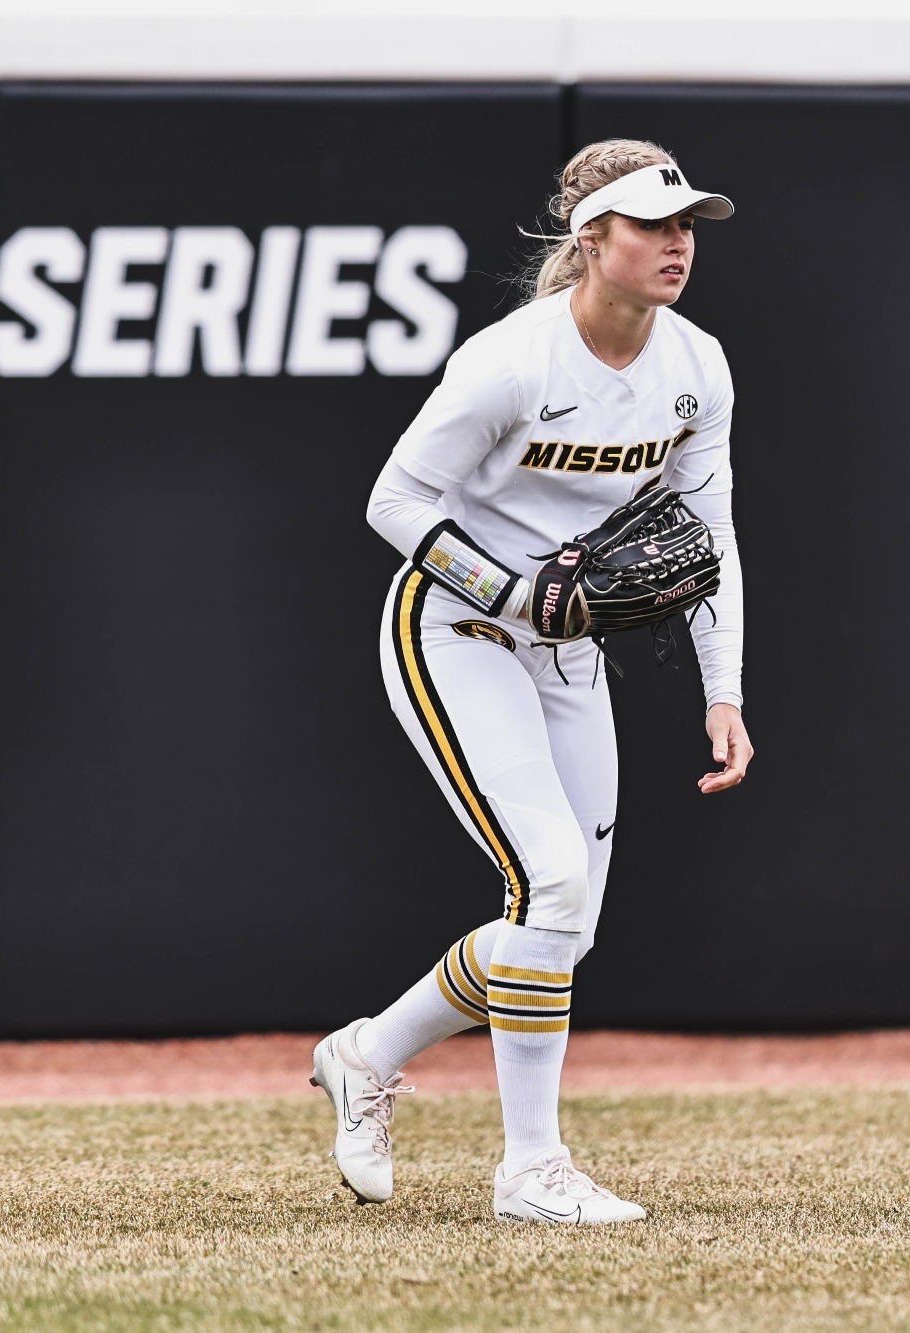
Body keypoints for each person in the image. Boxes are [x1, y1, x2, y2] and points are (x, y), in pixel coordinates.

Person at [309, 139, 752, 1225]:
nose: (676, 241)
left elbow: (708, 537)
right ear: (590, 237)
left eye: (686, 222)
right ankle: (529, 1169)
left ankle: (369, 1051)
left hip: (566, 650)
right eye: (651, 223)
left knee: (562, 921)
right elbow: (393, 501)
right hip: (456, 628)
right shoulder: (512, 361)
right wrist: (509, 593)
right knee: (549, 882)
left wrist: (722, 690)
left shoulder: (696, 364)